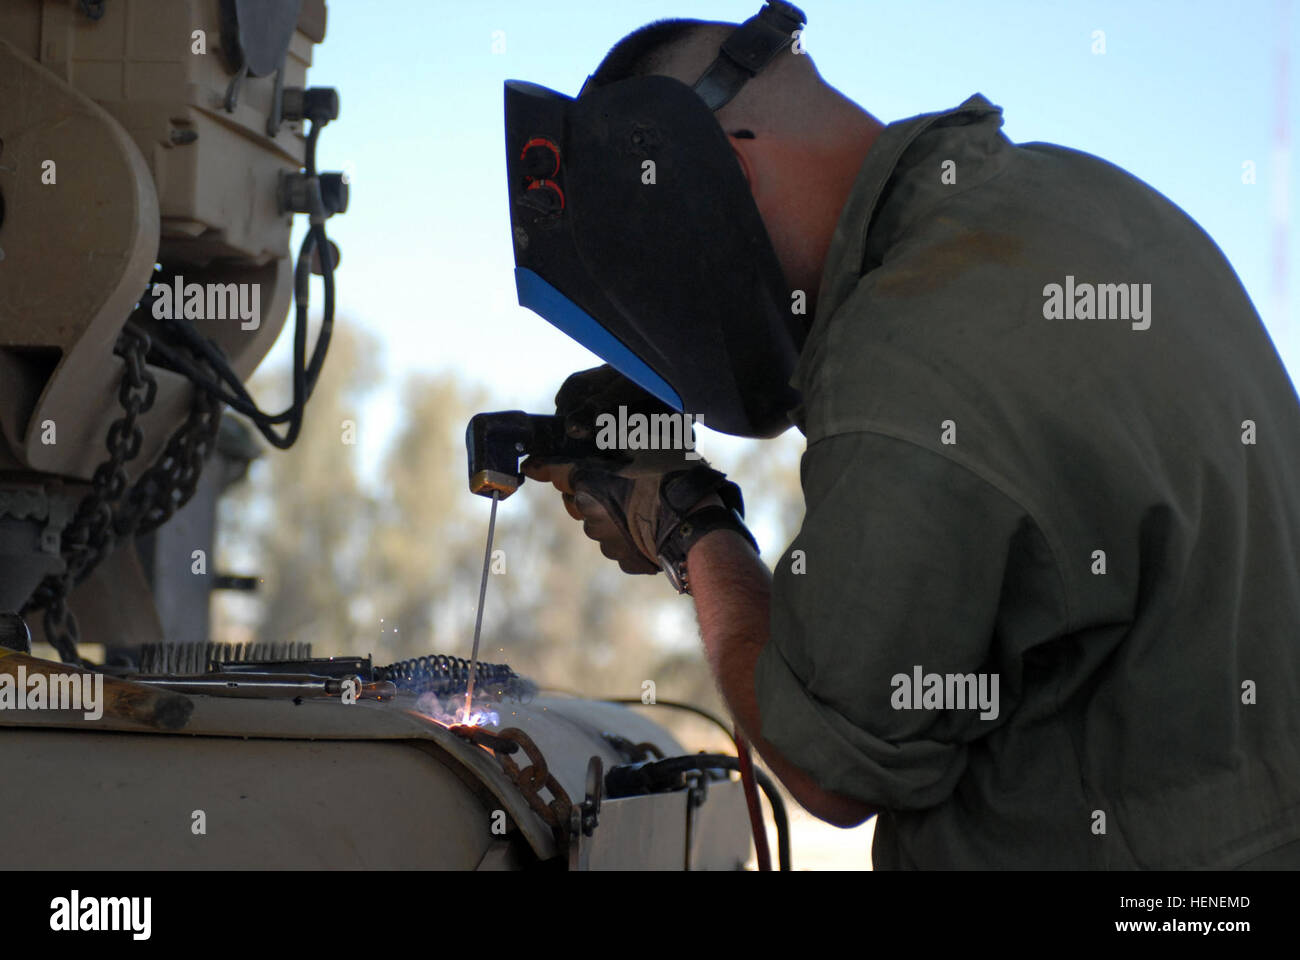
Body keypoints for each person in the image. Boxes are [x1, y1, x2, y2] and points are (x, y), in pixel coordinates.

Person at [512, 3, 1300, 868]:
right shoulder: (1077, 197)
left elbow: (832, 769)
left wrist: (688, 523)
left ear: (720, 169)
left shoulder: (904, 344)